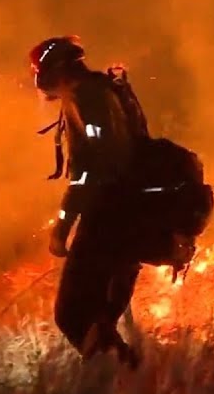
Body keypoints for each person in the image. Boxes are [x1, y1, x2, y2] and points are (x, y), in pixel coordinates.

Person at [30, 35, 149, 370]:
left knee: (72, 315)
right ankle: (135, 384)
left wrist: (62, 227)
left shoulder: (85, 98)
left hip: (108, 219)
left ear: (54, 71)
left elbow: (89, 171)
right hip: (130, 215)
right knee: (100, 321)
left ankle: (124, 379)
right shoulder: (105, 91)